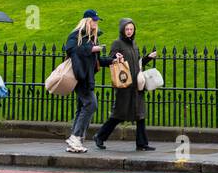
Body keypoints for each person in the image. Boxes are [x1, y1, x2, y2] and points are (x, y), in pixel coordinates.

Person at [94, 18, 159, 152]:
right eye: (127, 29)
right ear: (122, 30)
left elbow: (138, 64)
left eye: (131, 29)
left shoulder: (134, 44)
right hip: (124, 86)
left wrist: (148, 58)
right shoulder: (117, 44)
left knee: (140, 115)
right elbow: (111, 62)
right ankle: (99, 136)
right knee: (118, 114)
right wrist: (117, 59)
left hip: (137, 86)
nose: (129, 31)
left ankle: (142, 144)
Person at [64, 10, 112, 153]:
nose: (96, 23)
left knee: (81, 108)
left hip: (88, 76)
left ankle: (75, 142)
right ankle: (76, 137)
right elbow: (70, 49)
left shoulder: (93, 38)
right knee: (91, 104)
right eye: (94, 20)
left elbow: (96, 61)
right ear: (87, 21)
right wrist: (91, 49)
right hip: (80, 76)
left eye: (97, 21)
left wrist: (113, 60)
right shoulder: (76, 34)